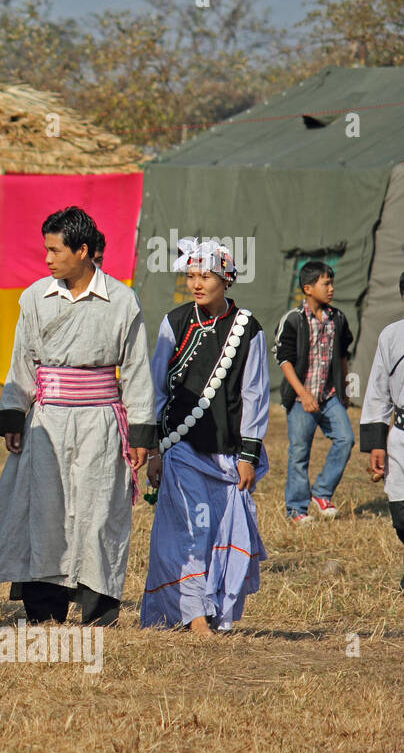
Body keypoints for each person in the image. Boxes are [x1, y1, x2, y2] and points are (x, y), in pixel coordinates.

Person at [0, 206, 154, 626]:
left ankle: (97, 610)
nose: (47, 259)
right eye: (45, 250)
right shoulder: (35, 297)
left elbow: (134, 370)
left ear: (83, 250)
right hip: (48, 422)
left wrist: (140, 433)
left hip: (100, 421)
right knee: (46, 511)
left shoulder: (121, 300)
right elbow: (22, 363)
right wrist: (13, 418)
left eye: (55, 250)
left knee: (98, 512)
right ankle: (44, 608)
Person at [141, 239, 269, 634]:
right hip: (181, 449)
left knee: (224, 532)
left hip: (229, 455)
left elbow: (254, 394)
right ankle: (194, 615)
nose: (197, 283)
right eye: (191, 276)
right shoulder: (175, 322)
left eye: (206, 276)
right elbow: (157, 389)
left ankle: (218, 613)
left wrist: (249, 454)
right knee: (190, 530)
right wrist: (157, 451)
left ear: (226, 279)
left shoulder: (247, 328)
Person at [274, 261, 354, 522]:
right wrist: (303, 394)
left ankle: (321, 493)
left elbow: (342, 354)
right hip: (301, 398)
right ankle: (296, 509)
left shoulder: (337, 318)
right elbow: (284, 360)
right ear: (307, 288)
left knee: (345, 439)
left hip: (329, 396)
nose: (331, 288)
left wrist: (343, 390)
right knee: (299, 453)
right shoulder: (293, 320)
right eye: (325, 283)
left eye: (332, 282)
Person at [361, 273, 404, 586]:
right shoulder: (392, 336)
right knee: (401, 517)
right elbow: (378, 390)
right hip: (401, 437)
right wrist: (376, 443)